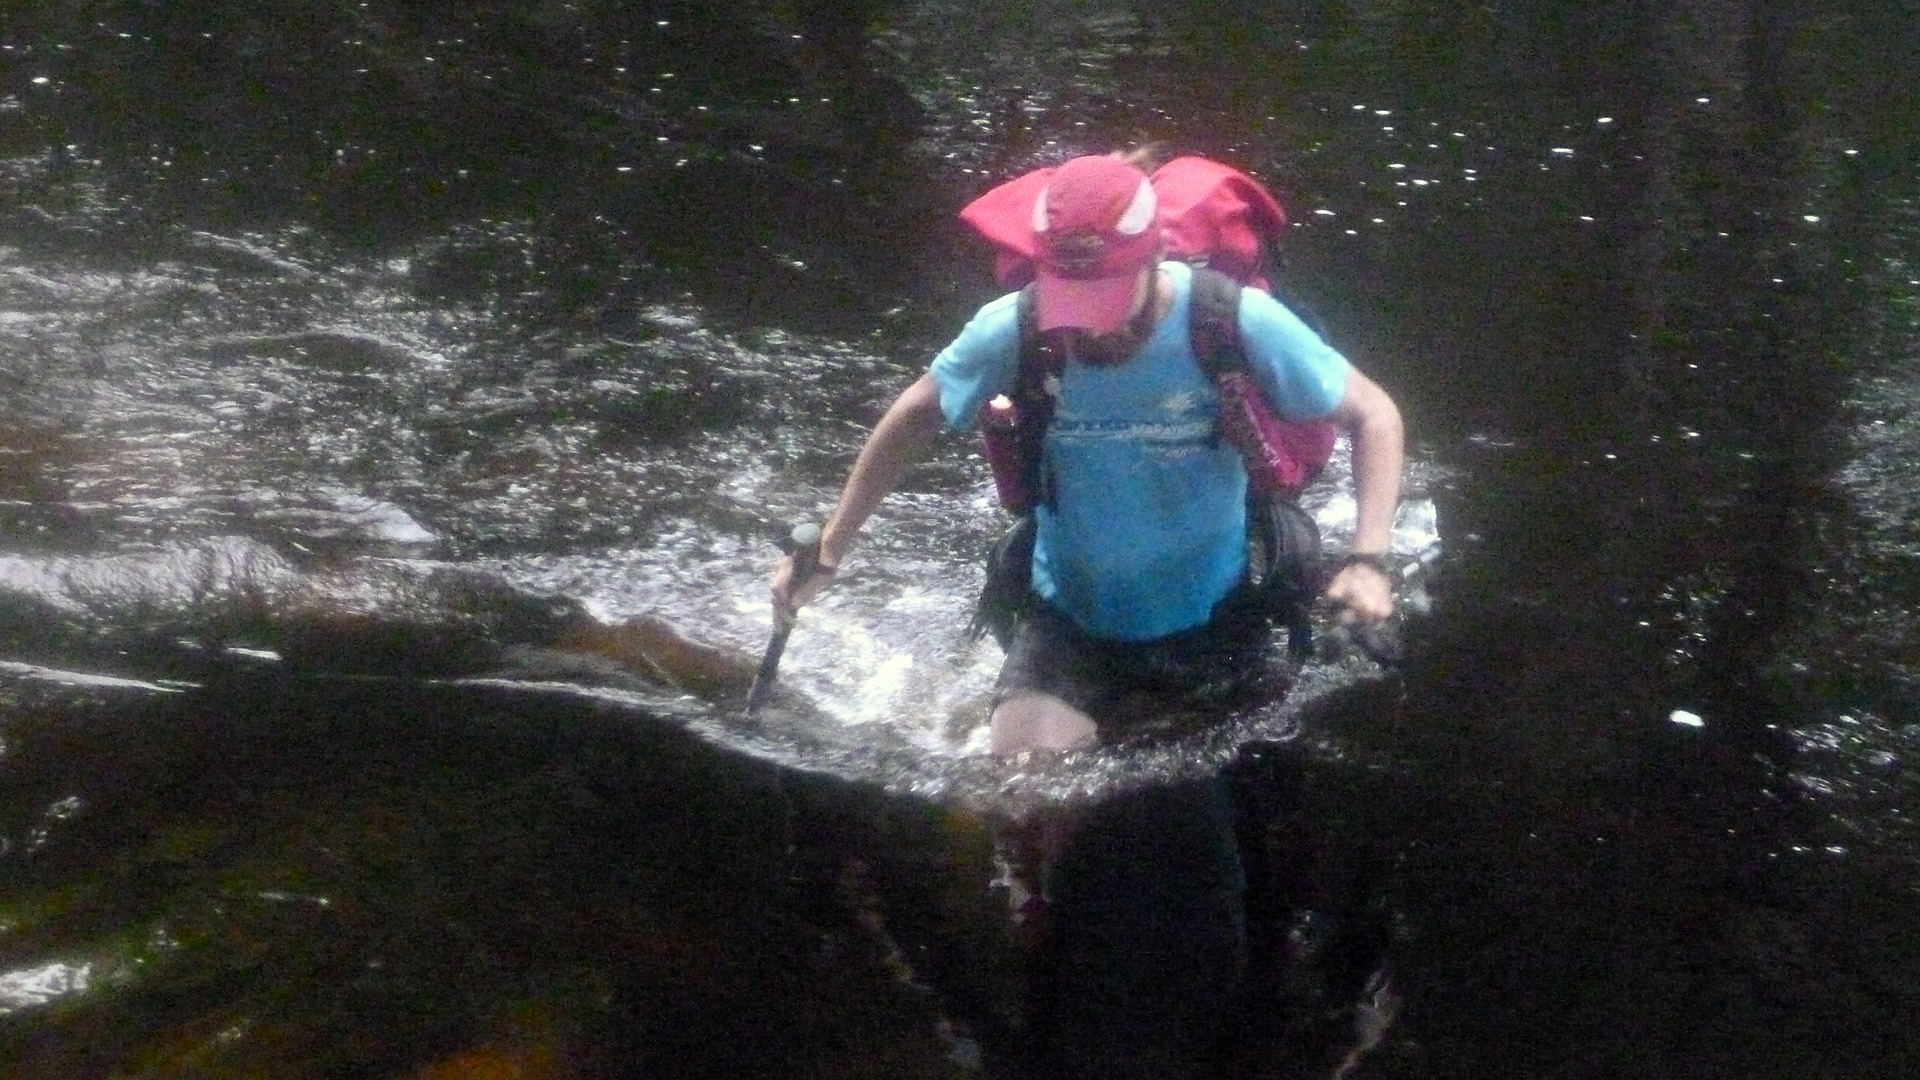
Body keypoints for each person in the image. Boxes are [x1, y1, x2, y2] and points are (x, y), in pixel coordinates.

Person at [771, 153, 1404, 756]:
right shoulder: (1013, 327)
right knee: (1023, 798)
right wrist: (830, 546)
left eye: (1103, 300)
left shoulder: (1231, 321)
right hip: (1068, 619)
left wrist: (1369, 560)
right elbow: (914, 416)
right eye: (1071, 303)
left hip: (1216, 615)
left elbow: (1374, 414)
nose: (1087, 329)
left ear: (1155, 257)